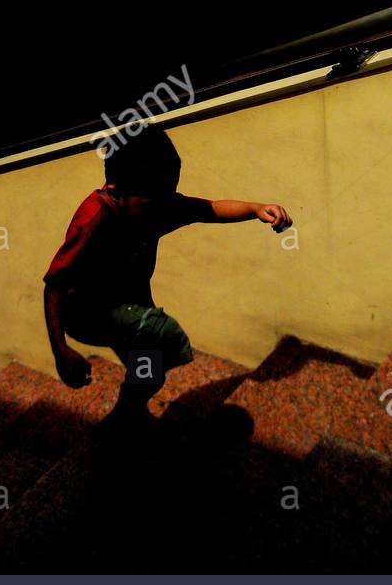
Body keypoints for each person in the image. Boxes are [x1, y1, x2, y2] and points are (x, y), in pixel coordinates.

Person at [42, 123, 292, 430]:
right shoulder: (95, 220)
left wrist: (256, 208)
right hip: (88, 313)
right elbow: (54, 286)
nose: (160, 210)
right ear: (116, 191)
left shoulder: (155, 203)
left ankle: (127, 410)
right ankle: (128, 410)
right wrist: (60, 349)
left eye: (166, 198)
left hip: (132, 305)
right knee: (162, 335)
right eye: (151, 203)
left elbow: (208, 209)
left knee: (150, 371)